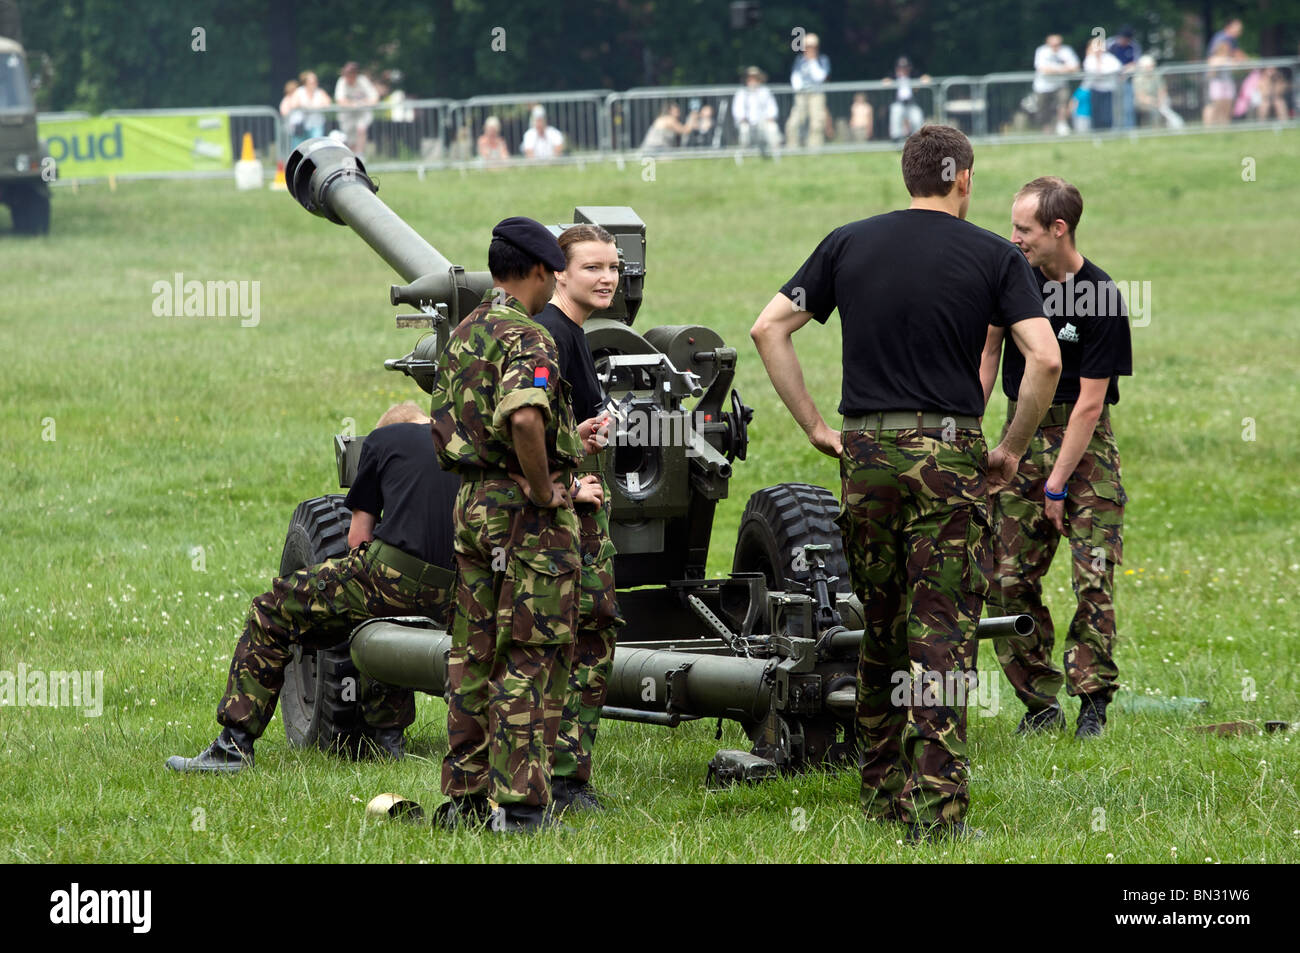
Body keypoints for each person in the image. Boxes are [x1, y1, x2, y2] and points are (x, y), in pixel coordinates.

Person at [749, 124, 1061, 839]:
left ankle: (882, 789)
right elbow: (1043, 360)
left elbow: (770, 329)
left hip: (864, 452)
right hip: (948, 452)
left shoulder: (848, 241)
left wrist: (813, 425)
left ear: (908, 176)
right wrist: (1011, 447)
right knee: (942, 632)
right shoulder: (991, 253)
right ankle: (937, 812)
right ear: (965, 179)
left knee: (880, 622)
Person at [165, 402, 459, 773]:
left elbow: (357, 537)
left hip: (391, 577)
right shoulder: (459, 443)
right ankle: (388, 742)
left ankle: (232, 748)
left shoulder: (384, 439)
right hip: (454, 591)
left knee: (271, 610)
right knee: (389, 615)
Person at [431, 217, 604, 833]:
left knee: (473, 653)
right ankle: (526, 808)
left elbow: (476, 423)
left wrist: (566, 441)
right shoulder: (530, 337)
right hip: (525, 519)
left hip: (472, 506)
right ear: (538, 270)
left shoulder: (465, 331)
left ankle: (465, 801)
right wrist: (543, 487)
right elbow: (526, 419)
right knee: (535, 653)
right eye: (556, 269)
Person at [980, 176, 1131, 740]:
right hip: (1018, 436)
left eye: (1024, 228)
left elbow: (1090, 404)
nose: (1013, 236)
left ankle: (1093, 701)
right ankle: (1039, 703)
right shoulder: (1010, 278)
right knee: (1006, 578)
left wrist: (1057, 486)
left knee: (1093, 578)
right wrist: (970, 422)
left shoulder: (1100, 296)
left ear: (1058, 229)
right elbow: (990, 351)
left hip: (1083, 447)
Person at [535, 225, 624, 812]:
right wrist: (566, 485)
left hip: (573, 514)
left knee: (585, 638)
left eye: (613, 267)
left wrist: (586, 432)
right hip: (564, 522)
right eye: (592, 267)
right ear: (559, 273)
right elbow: (525, 425)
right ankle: (562, 779)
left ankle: (562, 775)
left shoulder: (572, 334)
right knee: (584, 640)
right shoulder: (552, 336)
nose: (608, 277)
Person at [785, 33, 830, 149]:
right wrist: (799, 88)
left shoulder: (822, 59)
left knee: (817, 122)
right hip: (801, 94)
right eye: (807, 47)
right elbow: (795, 76)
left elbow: (821, 77)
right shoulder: (799, 60)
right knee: (795, 121)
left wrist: (813, 62)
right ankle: (792, 147)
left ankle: (815, 148)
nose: (809, 50)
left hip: (816, 94)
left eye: (812, 47)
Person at [1032, 34, 1080, 135]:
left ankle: (1061, 124)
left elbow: (1075, 67)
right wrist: (1063, 69)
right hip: (1043, 86)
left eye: (1058, 44)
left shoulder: (1066, 51)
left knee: (1063, 103)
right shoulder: (1042, 51)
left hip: (1060, 84)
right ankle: (1046, 129)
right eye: (1053, 44)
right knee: (1043, 108)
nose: (1056, 46)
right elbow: (1043, 69)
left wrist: (1055, 70)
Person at [732, 66, 781, 154]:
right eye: (750, 78)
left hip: (763, 121)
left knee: (772, 127)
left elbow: (772, 107)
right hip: (747, 122)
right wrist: (742, 118)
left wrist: (771, 117)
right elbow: (737, 109)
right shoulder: (741, 92)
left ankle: (776, 153)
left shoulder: (765, 91)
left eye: (755, 78)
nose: (753, 81)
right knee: (744, 129)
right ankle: (744, 153)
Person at [334, 62, 379, 157]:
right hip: (347, 116)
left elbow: (374, 97)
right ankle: (351, 158)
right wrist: (352, 104)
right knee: (350, 139)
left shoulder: (362, 81)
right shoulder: (341, 81)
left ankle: (360, 156)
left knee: (361, 129)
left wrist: (363, 103)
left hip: (362, 113)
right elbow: (340, 100)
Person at [1133, 55, 1184, 128]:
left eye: (1152, 66)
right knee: (1155, 110)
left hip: (1158, 101)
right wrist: (1154, 102)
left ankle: (1171, 124)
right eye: (1149, 66)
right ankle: (1156, 127)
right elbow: (1141, 97)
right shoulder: (1138, 79)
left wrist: (1160, 100)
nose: (1152, 68)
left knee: (1165, 103)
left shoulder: (1156, 75)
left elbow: (1162, 90)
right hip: (1145, 103)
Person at [1083, 37, 1122, 130]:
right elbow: (1091, 69)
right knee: (1096, 112)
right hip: (1095, 89)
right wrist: (1101, 71)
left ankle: (1108, 130)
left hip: (1108, 89)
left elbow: (1117, 67)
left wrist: (1101, 72)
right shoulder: (1090, 59)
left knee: (1107, 112)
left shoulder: (1109, 58)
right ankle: (1097, 131)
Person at [1107, 26, 1141, 129]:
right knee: (1113, 107)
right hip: (1111, 80)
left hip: (1127, 80)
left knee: (1127, 106)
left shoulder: (1133, 46)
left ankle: (1129, 128)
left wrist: (1123, 71)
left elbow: (1135, 63)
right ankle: (1115, 128)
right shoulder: (1110, 44)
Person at [886, 56, 926, 140]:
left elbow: (925, 78)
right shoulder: (893, 75)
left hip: (911, 103)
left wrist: (921, 81)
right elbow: (885, 81)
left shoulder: (913, 75)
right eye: (900, 67)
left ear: (909, 68)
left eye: (905, 67)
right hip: (898, 103)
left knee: (917, 118)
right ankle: (896, 139)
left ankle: (918, 139)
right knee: (895, 113)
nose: (902, 69)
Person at [294, 70, 331, 141]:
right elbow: (294, 104)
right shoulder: (299, 91)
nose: (314, 84)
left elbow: (327, 103)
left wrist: (309, 107)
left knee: (315, 145)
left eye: (315, 82)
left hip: (316, 124)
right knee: (300, 148)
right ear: (306, 82)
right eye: (311, 82)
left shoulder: (320, 92)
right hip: (302, 125)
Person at [280, 79, 304, 147]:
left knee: (299, 143)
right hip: (292, 126)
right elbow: (283, 111)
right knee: (296, 144)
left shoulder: (298, 98)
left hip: (299, 125)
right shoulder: (286, 100)